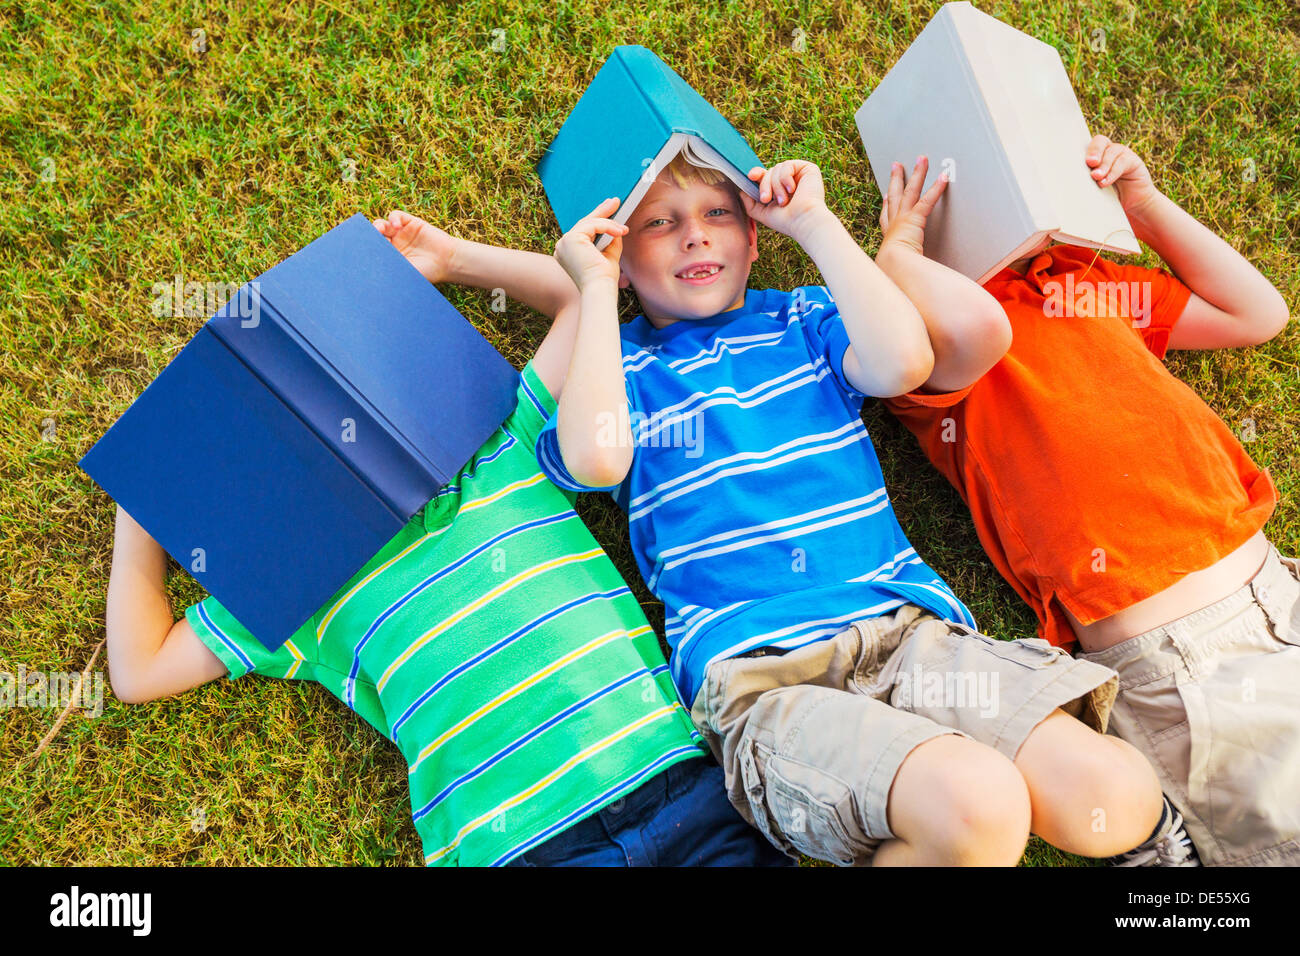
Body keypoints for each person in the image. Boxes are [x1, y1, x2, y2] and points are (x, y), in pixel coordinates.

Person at [534, 151, 1167, 866]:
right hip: (765, 678)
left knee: (1117, 796)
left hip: (910, 638)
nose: (696, 236)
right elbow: (594, 458)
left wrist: (814, 222)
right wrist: (590, 291)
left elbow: (903, 363)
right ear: (619, 254)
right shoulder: (621, 368)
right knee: (979, 808)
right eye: (659, 224)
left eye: (718, 213)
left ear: (751, 233)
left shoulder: (801, 318)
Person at [105, 210, 791, 868]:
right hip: (523, 847)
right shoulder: (296, 587)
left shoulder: (499, 447)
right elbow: (140, 669)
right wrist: (145, 498)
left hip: (678, 782)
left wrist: (452, 260)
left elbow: (586, 301)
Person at [879, 137, 1295, 866]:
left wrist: (1143, 205)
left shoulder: (1084, 281)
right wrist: (900, 255)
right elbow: (975, 328)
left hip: (1274, 591)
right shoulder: (937, 348)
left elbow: (1257, 314)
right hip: (1181, 659)